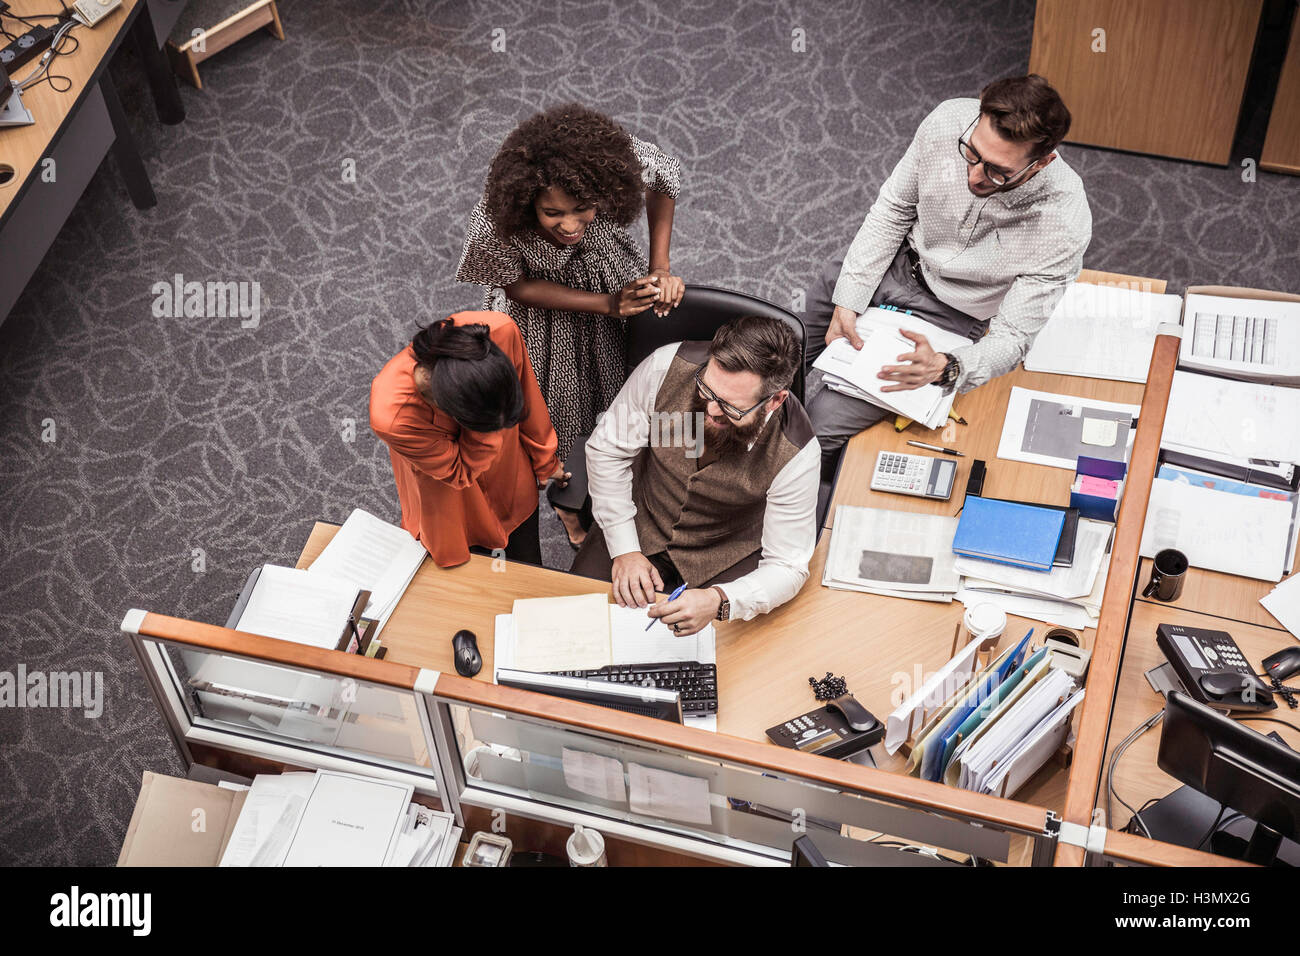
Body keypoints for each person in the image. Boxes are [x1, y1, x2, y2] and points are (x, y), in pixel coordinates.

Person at [802, 74, 1092, 476]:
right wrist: (850, 296)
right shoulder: (947, 120)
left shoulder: (1063, 221)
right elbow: (894, 210)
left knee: (815, 434)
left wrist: (946, 368)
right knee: (770, 364)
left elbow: (1013, 338)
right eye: (971, 154)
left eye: (997, 172)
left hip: (952, 317)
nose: (974, 176)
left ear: (1043, 161)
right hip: (896, 263)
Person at [456, 102, 684, 548]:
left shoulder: (609, 163)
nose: (570, 224)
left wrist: (660, 264)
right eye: (552, 213)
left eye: (582, 208)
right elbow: (517, 287)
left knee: (623, 399)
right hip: (541, 323)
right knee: (558, 419)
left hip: (610, 284)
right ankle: (568, 506)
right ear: (528, 203)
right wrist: (605, 304)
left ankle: (610, 486)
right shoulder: (493, 220)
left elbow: (666, 178)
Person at [572, 315, 820, 637]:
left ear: (775, 400)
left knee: (726, 665)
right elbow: (607, 450)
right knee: (576, 623)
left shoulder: (798, 452)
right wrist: (625, 549)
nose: (711, 411)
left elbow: (788, 565)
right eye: (707, 390)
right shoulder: (664, 368)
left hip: (725, 554)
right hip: (639, 521)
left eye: (732, 408)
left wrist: (719, 600)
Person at [369, 311, 568, 568]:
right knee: (469, 590)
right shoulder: (393, 415)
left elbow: (526, 400)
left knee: (528, 571)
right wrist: (489, 424)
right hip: (453, 504)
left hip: (510, 477)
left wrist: (545, 462)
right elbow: (459, 472)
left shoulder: (500, 332)